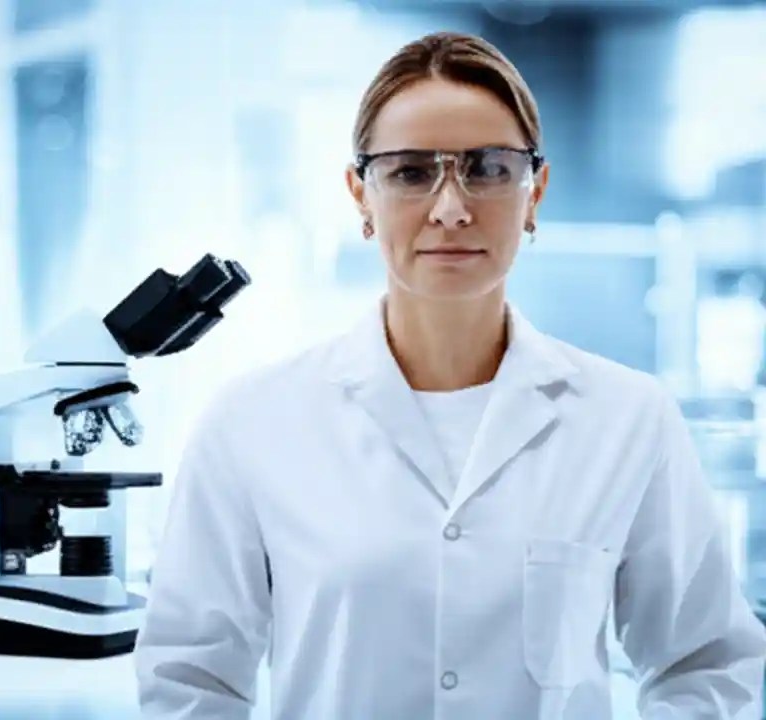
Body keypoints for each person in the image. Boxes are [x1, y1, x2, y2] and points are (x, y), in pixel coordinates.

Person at [133, 31, 766, 719]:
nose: (451, 208)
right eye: (411, 173)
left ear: (535, 192)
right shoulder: (254, 422)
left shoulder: (627, 418)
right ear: (360, 195)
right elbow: (191, 681)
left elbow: (704, 663)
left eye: (488, 168)